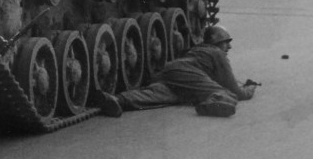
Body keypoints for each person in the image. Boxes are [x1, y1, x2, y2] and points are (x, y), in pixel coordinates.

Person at [107, 24, 258, 118]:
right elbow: (235, 90)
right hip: (186, 72)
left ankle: (118, 99)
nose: (229, 47)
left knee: (164, 94)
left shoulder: (199, 49)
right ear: (217, 42)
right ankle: (210, 105)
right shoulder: (217, 53)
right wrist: (250, 89)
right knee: (226, 94)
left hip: (171, 70)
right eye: (226, 43)